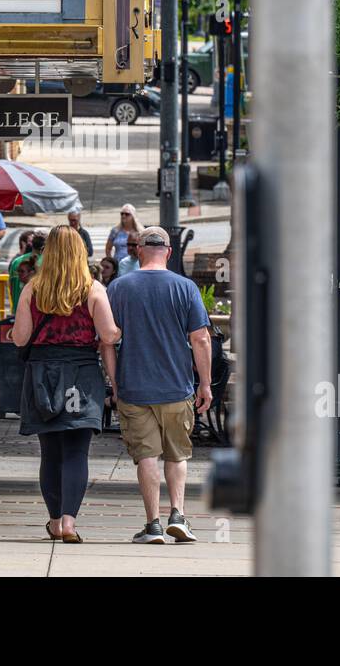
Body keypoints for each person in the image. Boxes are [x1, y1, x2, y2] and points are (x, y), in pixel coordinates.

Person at [103, 226, 212, 545]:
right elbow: (201, 339)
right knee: (177, 455)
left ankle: (152, 525)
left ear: (137, 251)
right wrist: (204, 383)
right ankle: (177, 515)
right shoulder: (186, 288)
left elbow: (107, 342)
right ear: (168, 251)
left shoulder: (119, 288)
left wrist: (115, 382)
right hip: (177, 387)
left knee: (147, 456)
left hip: (134, 387)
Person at [11, 225, 120, 543]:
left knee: (50, 452)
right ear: (80, 253)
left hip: (43, 374)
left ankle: (55, 521)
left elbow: (20, 338)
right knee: (76, 452)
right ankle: (70, 521)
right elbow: (109, 335)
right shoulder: (93, 288)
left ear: (49, 252)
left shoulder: (33, 288)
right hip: (81, 375)